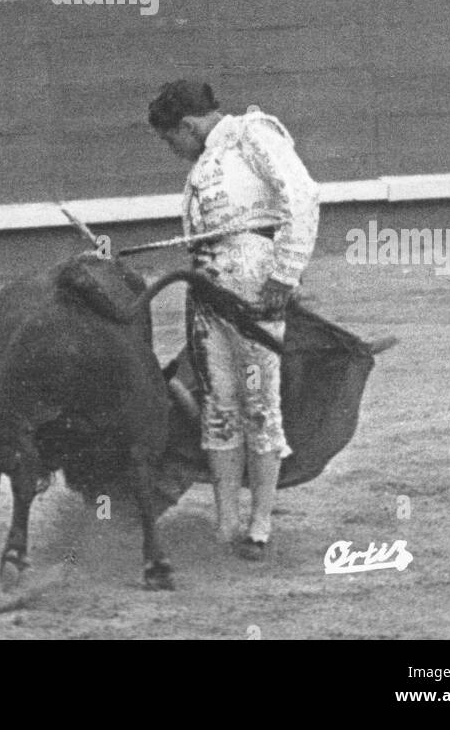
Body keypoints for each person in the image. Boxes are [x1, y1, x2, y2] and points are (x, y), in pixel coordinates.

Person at [147, 79, 319, 555]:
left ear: (187, 124)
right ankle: (226, 525)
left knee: (260, 404)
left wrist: (285, 275)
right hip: (208, 291)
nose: (172, 150)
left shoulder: (253, 134)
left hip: (255, 290)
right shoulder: (208, 158)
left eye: (170, 139)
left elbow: (302, 197)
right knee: (220, 408)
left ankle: (260, 527)